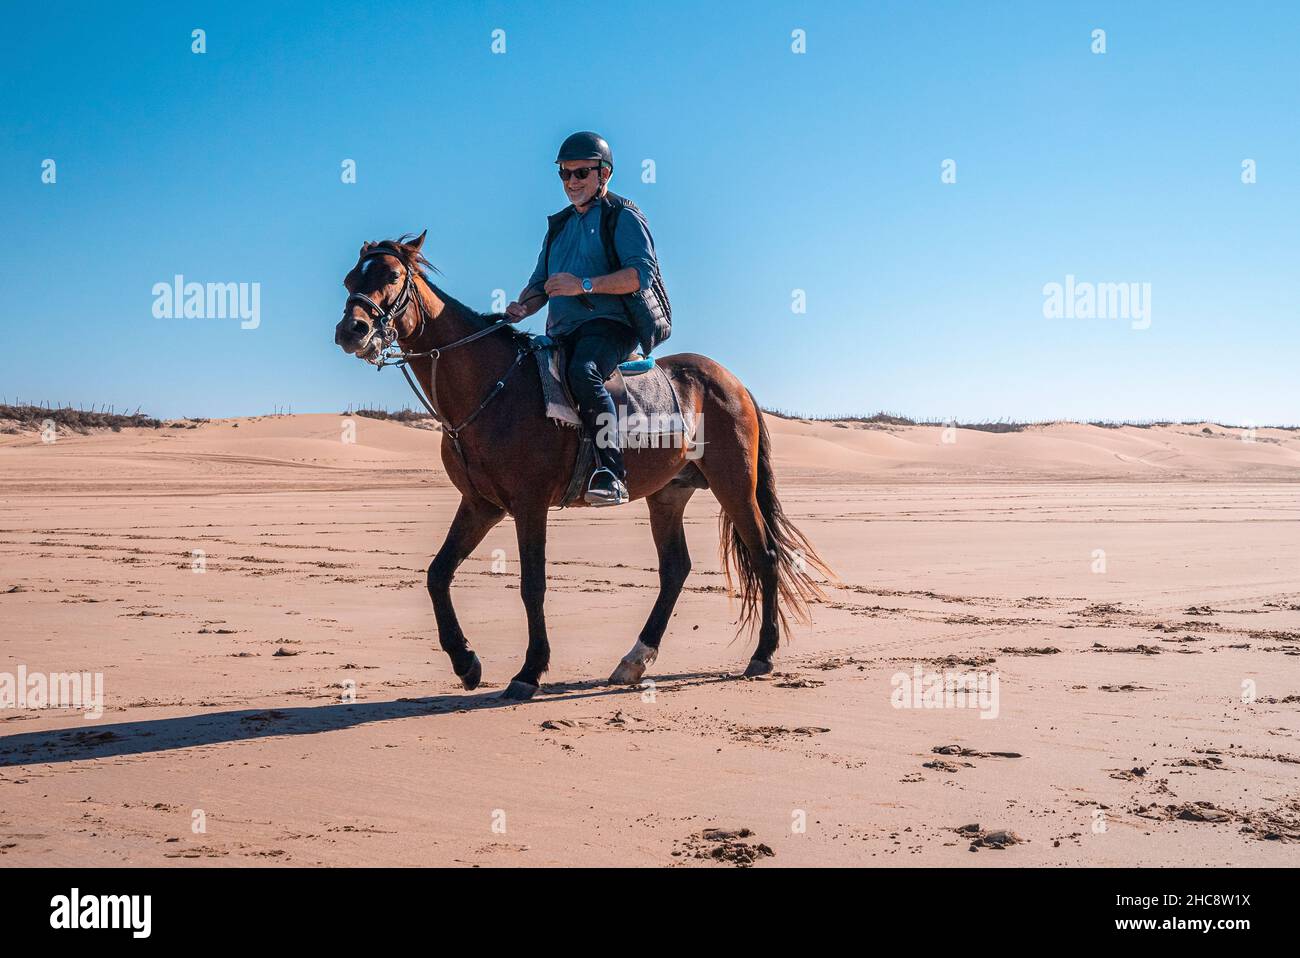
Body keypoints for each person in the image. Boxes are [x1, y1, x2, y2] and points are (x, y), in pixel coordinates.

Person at [506, 131, 671, 506]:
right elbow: (539, 285)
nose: (571, 182)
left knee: (584, 371)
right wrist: (522, 307)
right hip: (561, 331)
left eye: (580, 173)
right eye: (564, 174)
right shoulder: (559, 227)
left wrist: (583, 284)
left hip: (611, 325)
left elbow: (639, 275)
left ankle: (612, 473)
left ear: (604, 174)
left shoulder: (623, 215)